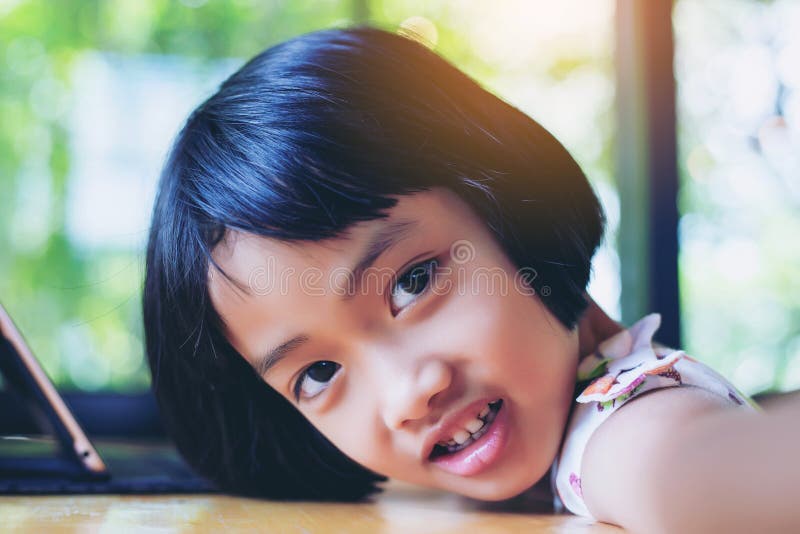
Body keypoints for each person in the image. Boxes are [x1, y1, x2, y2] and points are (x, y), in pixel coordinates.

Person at [143, 25, 799, 533]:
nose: (407, 396)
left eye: (413, 282)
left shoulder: (628, 427)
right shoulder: (515, 442)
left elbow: (692, 471)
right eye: (317, 374)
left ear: (514, 208)